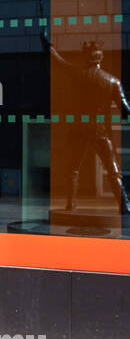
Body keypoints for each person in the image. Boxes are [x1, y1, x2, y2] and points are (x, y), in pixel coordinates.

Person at [41, 31, 130, 213]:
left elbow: (58, 61)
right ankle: (125, 204)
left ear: (85, 57)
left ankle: (70, 203)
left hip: (78, 128)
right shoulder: (113, 82)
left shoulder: (76, 73)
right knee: (113, 170)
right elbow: (126, 110)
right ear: (100, 58)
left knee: (72, 168)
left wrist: (47, 45)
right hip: (101, 131)